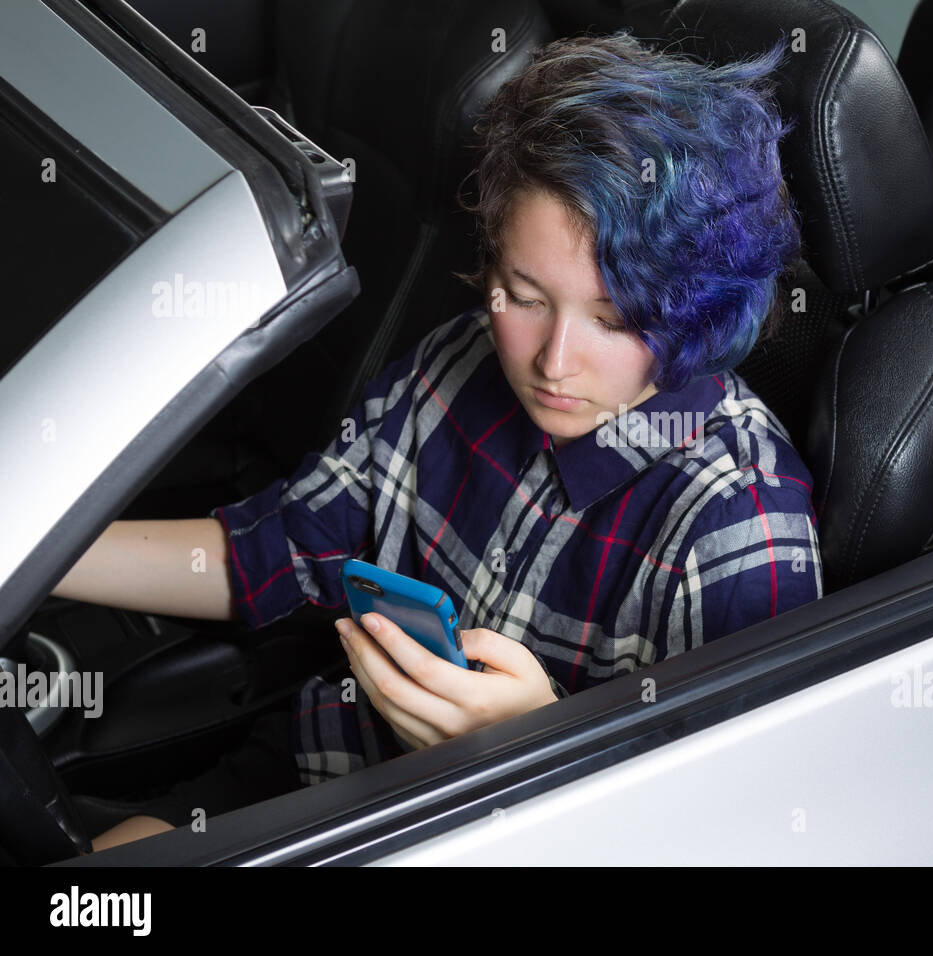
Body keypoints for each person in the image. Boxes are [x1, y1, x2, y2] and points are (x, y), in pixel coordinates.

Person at [67, 30, 823, 852]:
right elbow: (270, 554)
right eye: (524, 296)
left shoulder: (738, 524)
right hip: (327, 771)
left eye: (613, 321)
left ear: (699, 309)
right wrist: (40, 548)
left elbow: (724, 835)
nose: (553, 362)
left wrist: (542, 744)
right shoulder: (461, 360)